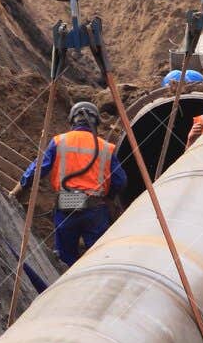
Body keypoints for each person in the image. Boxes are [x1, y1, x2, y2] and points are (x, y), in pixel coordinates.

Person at [19, 100, 127, 267]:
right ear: (96, 123)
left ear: (72, 121)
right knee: (99, 257)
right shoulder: (107, 147)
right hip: (95, 207)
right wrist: (109, 197)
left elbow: (37, 169)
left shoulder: (58, 142)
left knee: (64, 258)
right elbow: (120, 180)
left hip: (67, 203)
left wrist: (20, 188)